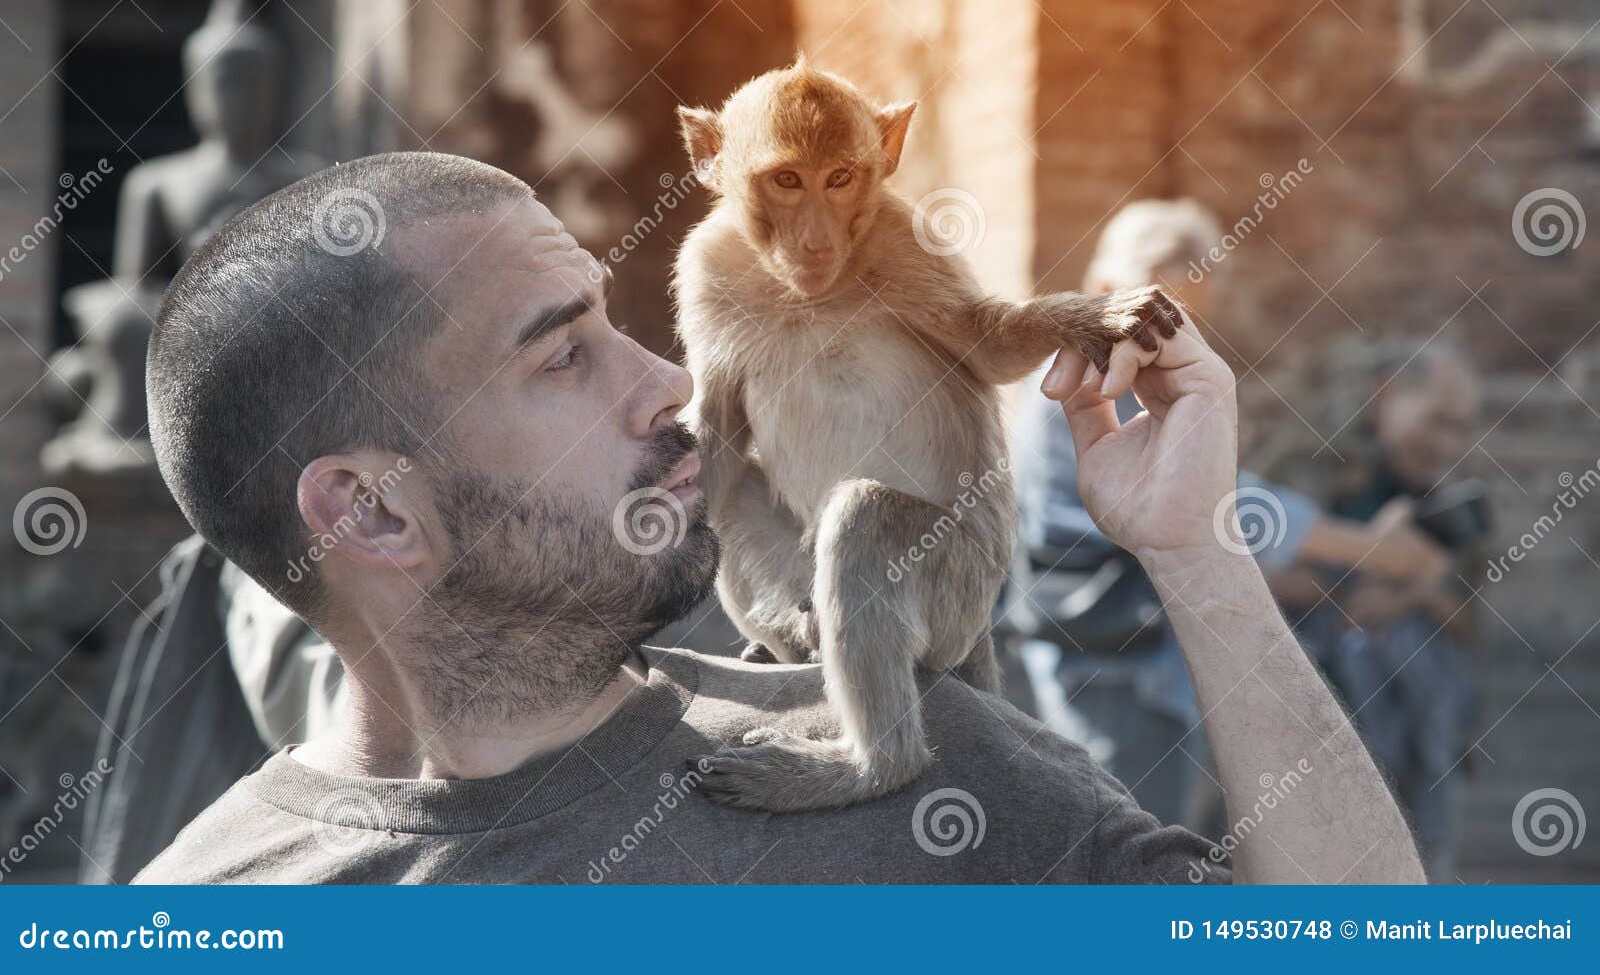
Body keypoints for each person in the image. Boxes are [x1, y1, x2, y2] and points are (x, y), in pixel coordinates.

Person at [132, 152, 1421, 883]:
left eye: (618, 325)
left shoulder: (919, 775)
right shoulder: (211, 901)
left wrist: (1197, 554)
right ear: (366, 511)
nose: (670, 387)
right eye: (562, 359)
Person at [1007, 201, 1457, 830]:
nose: (1173, 341)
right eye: (1162, 317)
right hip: (1108, 672)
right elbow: (1215, 503)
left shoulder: (1119, 378)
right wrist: (1368, 549)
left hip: (1147, 662)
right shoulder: (1084, 386)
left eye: (1189, 322)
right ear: (1108, 292)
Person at [1255, 339, 1486, 881]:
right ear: (1384, 395)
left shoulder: (1457, 501)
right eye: (1435, 421)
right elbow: (1245, 570)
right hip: (1305, 729)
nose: (1446, 444)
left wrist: (1413, 593)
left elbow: (1470, 623)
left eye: (1461, 427)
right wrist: (1349, 586)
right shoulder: (1308, 467)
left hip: (1421, 738)